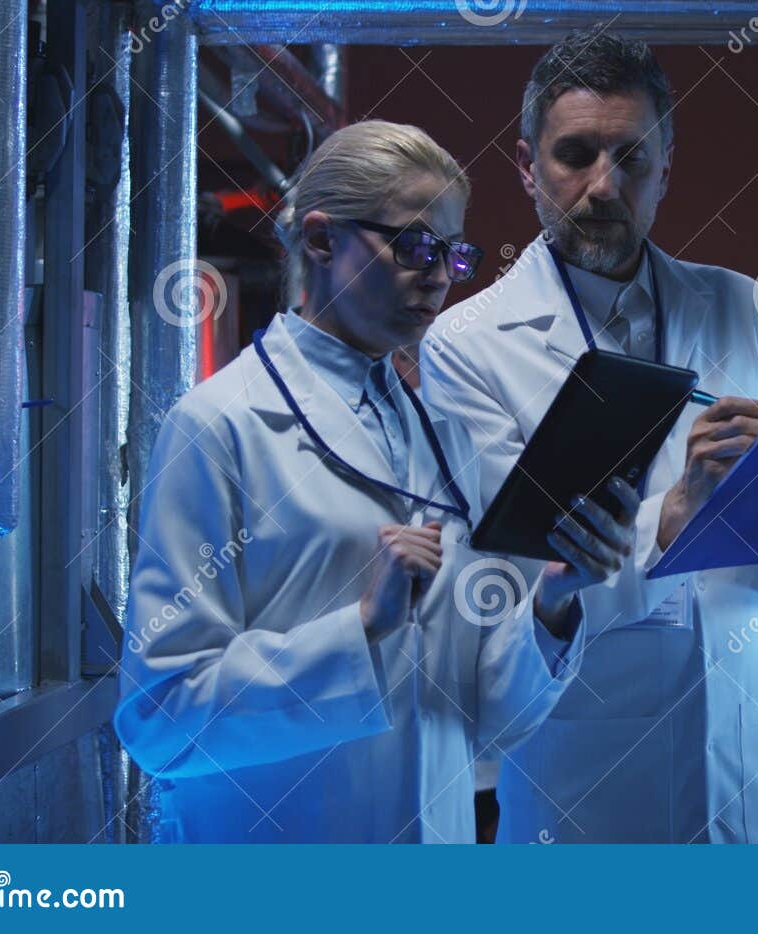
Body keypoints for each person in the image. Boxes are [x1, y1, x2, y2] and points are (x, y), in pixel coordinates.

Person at [114, 120, 638, 843]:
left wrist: (552, 601)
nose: (439, 277)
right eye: (414, 245)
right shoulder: (219, 425)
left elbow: (484, 721)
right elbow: (159, 720)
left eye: (453, 253)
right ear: (322, 241)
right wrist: (362, 629)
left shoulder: (442, 432)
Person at [420, 30, 758, 844]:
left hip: (749, 762)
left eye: (631, 157)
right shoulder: (467, 345)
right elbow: (504, 594)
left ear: (667, 165)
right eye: (575, 154)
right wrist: (675, 515)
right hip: (588, 788)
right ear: (526, 166)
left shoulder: (735, 304)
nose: (603, 185)